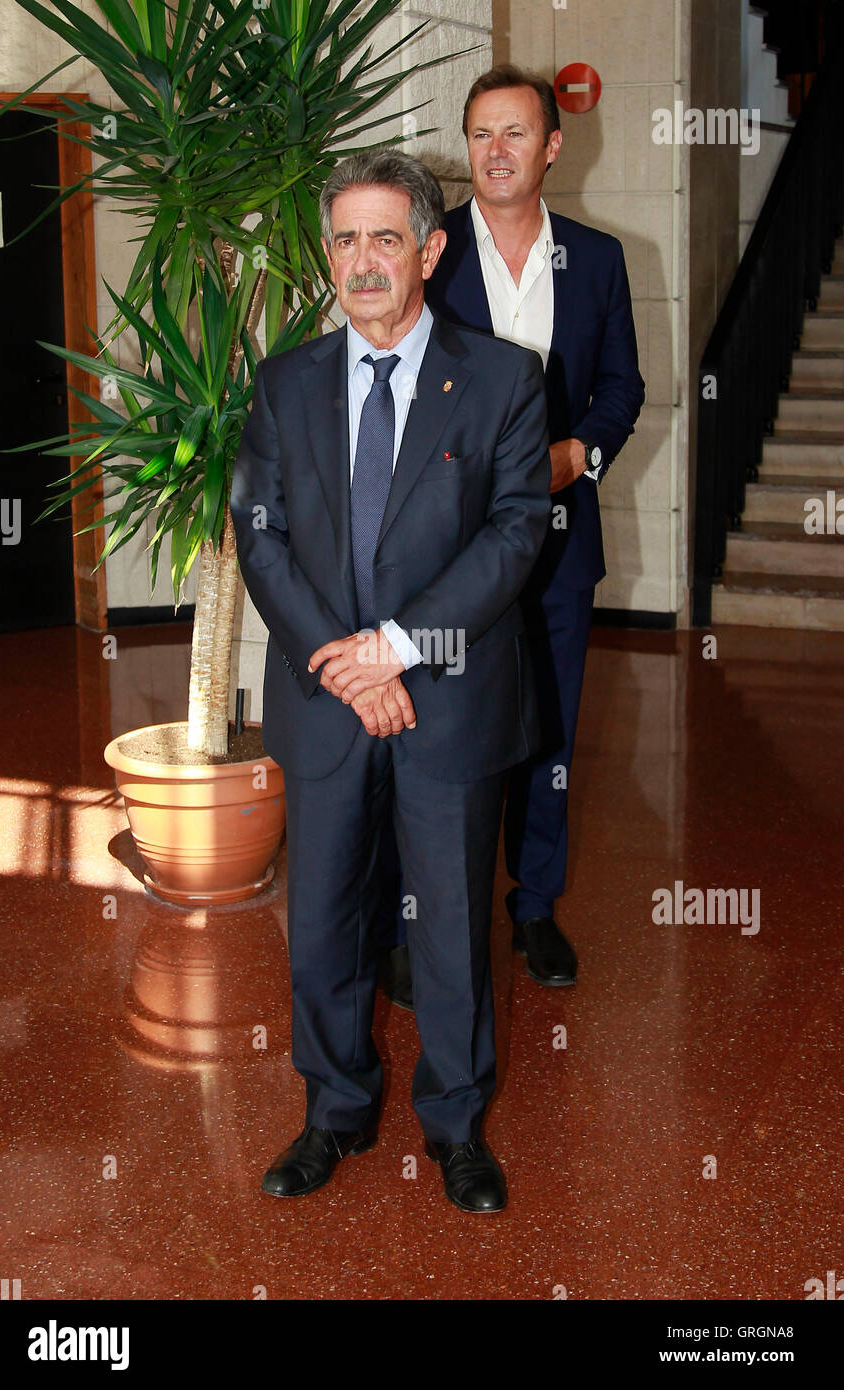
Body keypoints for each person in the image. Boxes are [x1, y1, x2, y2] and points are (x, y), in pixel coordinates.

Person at [230, 150, 551, 1213]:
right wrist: (347, 661)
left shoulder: (502, 379)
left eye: (383, 237)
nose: (362, 262)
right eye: (342, 240)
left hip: (446, 694)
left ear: (427, 248)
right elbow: (260, 533)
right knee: (320, 918)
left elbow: (512, 537)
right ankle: (332, 1113)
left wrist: (398, 650)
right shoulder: (282, 383)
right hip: (327, 698)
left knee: (450, 923)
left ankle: (456, 1125)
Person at [381, 66, 645, 1001]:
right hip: (447, 552)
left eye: (516, 134)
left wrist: (582, 456)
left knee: (551, 737)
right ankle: (423, 916)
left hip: (560, 546)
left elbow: (624, 388)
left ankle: (533, 905)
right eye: (481, 134)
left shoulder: (599, 259)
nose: (496, 151)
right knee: (441, 734)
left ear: (552, 147)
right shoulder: (431, 252)